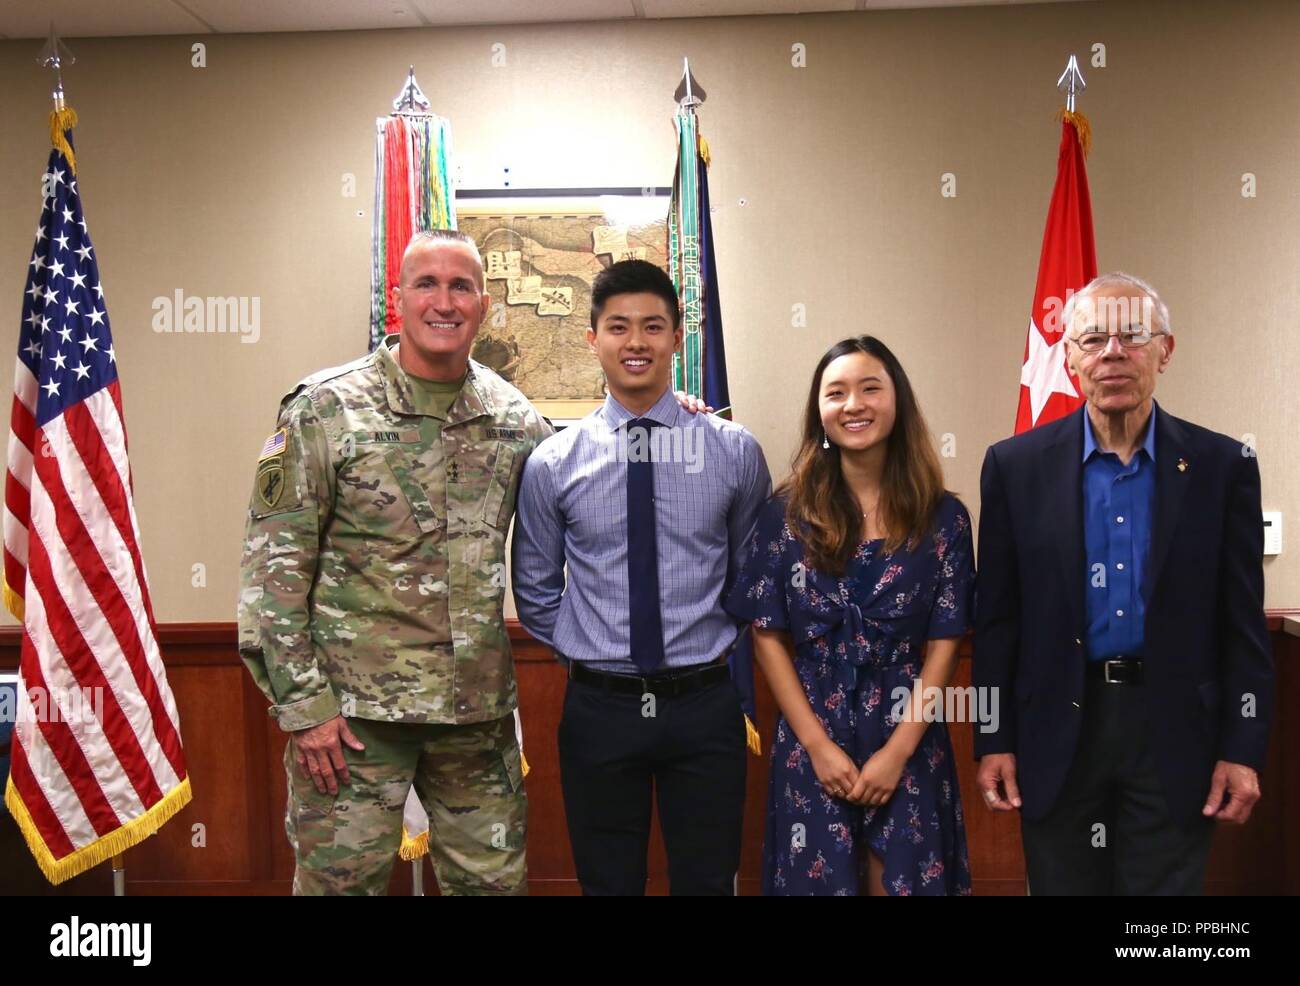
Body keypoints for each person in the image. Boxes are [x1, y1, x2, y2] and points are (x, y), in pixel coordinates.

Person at [237, 229, 552, 895]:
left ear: (484, 304)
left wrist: (669, 419)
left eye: (461, 285)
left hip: (475, 721)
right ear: (397, 299)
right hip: (352, 724)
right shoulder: (326, 409)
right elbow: (274, 573)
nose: (444, 301)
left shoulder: (512, 416)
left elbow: (592, 481)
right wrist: (304, 708)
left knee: (496, 888)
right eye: (427, 284)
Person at [973, 272, 1274, 895]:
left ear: (1165, 350)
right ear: (1069, 357)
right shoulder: (1013, 466)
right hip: (1057, 727)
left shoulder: (1223, 467)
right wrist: (993, 736)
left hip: (1176, 731)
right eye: (1093, 339)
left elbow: (1241, 623)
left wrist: (1242, 748)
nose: (1113, 353)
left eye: (1133, 336)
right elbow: (999, 620)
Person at [511, 259, 771, 895]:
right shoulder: (553, 462)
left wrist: (705, 639)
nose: (636, 343)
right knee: (607, 883)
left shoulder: (733, 450)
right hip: (600, 708)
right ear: (591, 338)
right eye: (618, 327)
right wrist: (596, 652)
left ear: (678, 336)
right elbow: (537, 591)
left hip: (705, 704)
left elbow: (749, 575)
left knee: (709, 880)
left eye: (653, 326)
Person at [726, 335, 974, 896]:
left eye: (869, 388)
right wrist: (817, 745)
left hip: (908, 738)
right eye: (836, 392)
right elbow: (766, 634)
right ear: (820, 412)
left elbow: (946, 640)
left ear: (898, 401)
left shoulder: (945, 519)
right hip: (814, 739)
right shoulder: (784, 514)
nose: (853, 404)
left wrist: (899, 750)